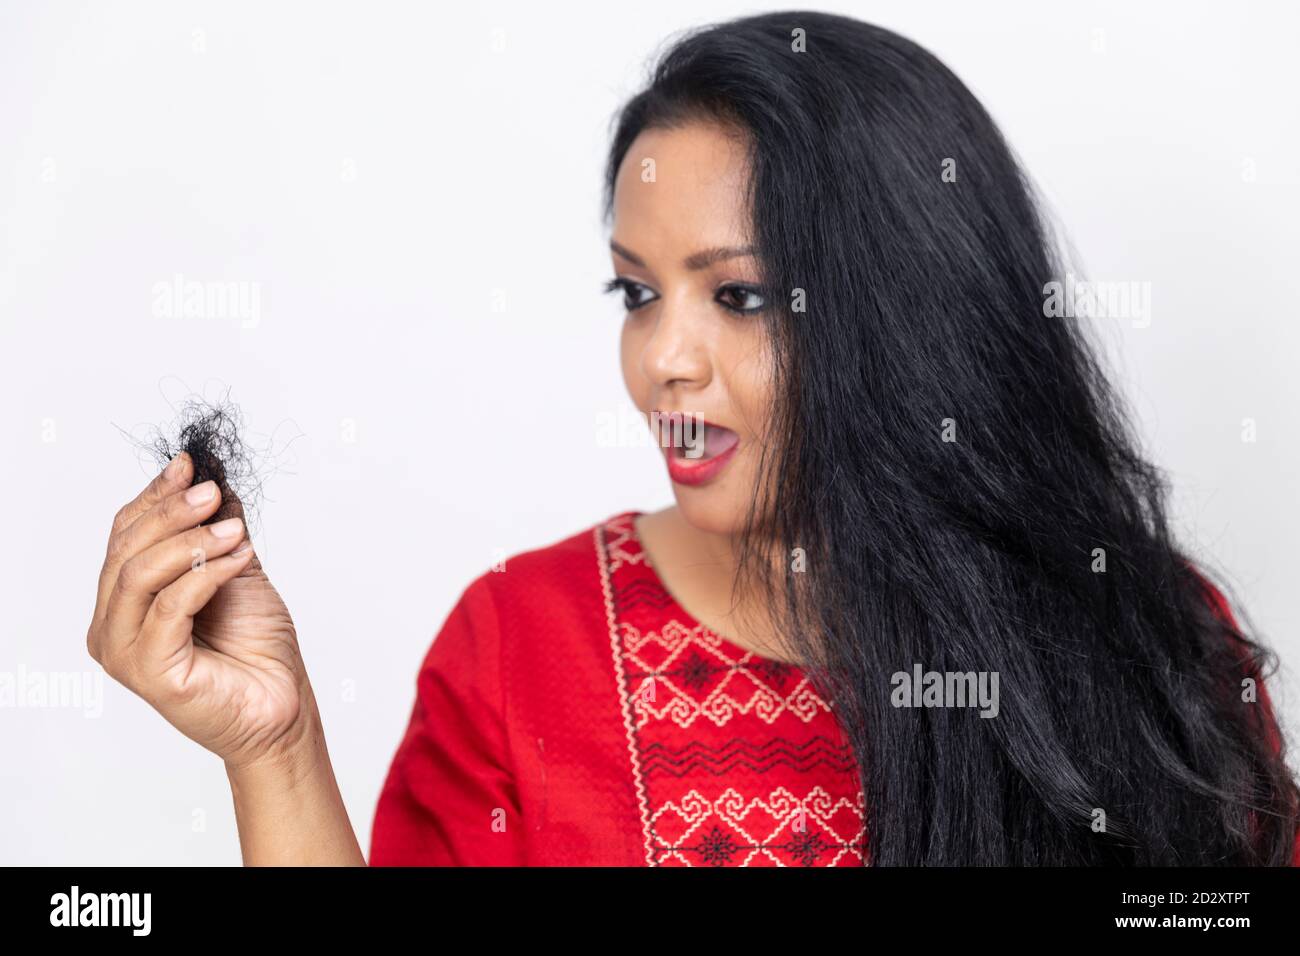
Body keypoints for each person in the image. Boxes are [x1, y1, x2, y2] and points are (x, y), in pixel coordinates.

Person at [86, 11, 1299, 866]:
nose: (661, 356)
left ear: (913, 315)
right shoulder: (519, 645)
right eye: (635, 291)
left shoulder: (1140, 641)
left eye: (740, 294)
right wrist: (277, 747)